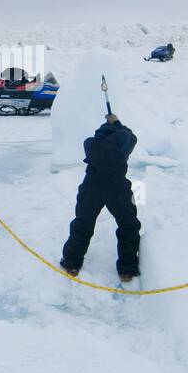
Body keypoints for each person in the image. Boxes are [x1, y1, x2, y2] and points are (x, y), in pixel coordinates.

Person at [59, 114, 141, 283]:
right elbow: (131, 136)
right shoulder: (123, 143)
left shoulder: (90, 144)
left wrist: (108, 127)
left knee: (82, 224)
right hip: (117, 188)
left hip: (91, 188)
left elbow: (99, 137)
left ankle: (71, 264)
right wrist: (117, 122)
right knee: (128, 226)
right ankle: (127, 270)